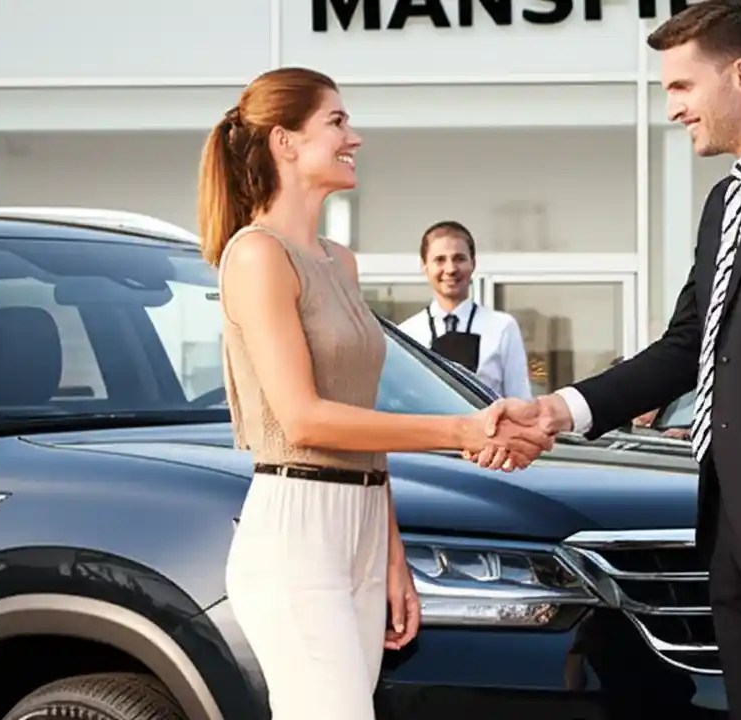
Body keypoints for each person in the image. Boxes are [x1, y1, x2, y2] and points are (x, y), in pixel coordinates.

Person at [473, 2, 741, 718]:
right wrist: (560, 408)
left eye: (680, 88)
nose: (671, 109)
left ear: (740, 74)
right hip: (730, 525)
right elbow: (686, 347)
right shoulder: (722, 204)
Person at [197, 67, 553, 720]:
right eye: (336, 122)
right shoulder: (255, 256)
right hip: (296, 531)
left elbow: (362, 418)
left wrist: (390, 556)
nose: (353, 137)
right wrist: (462, 430)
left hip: (360, 525)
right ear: (285, 142)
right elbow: (304, 420)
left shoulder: (341, 260)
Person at [397, 220, 533, 400]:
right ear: (424, 266)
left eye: (459, 258)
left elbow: (520, 399)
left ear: (473, 263)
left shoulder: (502, 327)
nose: (451, 269)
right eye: (440, 260)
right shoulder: (407, 334)